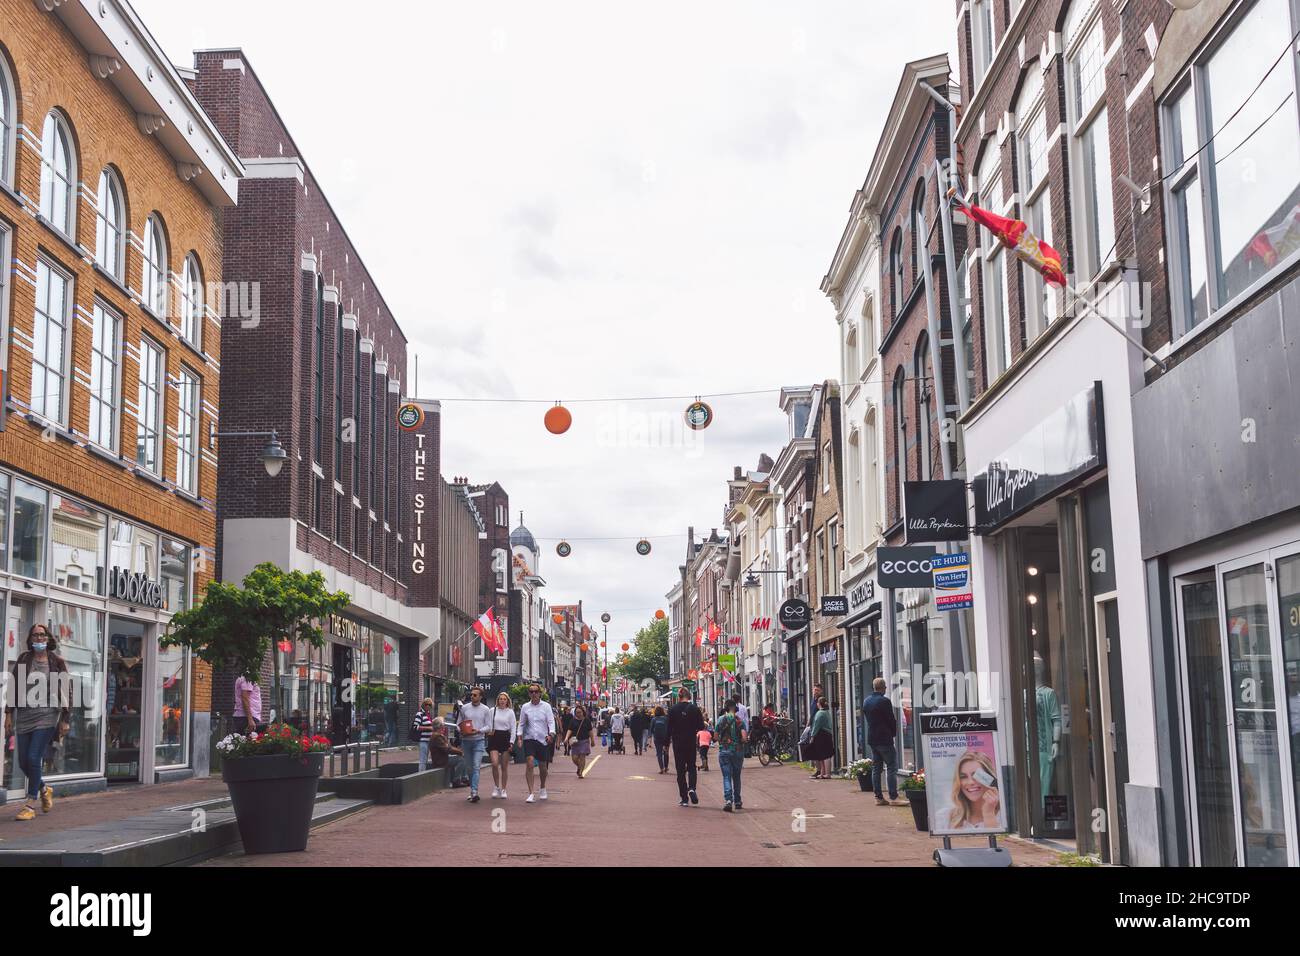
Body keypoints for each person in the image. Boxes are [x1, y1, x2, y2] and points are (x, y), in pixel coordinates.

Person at [3, 624, 71, 821]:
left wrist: (65, 719)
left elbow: (67, 690)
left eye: (42, 635)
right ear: (31, 638)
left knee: (34, 757)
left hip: (47, 714)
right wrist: (8, 713)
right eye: (36, 635)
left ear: (48, 638)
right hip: (24, 715)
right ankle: (43, 788)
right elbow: (14, 686)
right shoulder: (24, 659)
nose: (39, 638)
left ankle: (29, 804)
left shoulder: (56, 661)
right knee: (23, 761)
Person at [862, 676, 901, 805]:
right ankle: (893, 797)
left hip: (873, 739)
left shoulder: (866, 701)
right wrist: (893, 734)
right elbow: (891, 719)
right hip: (884, 738)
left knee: (876, 768)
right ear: (883, 688)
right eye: (885, 687)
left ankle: (878, 797)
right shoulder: (884, 701)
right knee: (891, 767)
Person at [518, 684, 557, 802]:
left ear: (540, 693)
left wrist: (551, 734)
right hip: (529, 738)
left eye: (536, 692)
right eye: (531, 692)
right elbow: (521, 723)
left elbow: (551, 722)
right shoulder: (525, 707)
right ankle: (531, 793)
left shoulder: (546, 706)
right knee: (529, 762)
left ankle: (543, 787)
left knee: (542, 767)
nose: (534, 694)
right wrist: (519, 737)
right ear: (529, 694)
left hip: (543, 739)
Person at [667, 689, 703, 806]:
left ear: (679, 697)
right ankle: (692, 788)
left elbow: (669, 728)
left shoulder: (673, 709)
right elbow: (701, 726)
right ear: (689, 696)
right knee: (692, 766)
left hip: (678, 743)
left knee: (680, 770)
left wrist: (666, 743)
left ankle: (684, 798)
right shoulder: (694, 709)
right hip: (691, 742)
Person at [949, 751, 1002, 829]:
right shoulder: (945, 817)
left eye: (976, 775)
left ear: (990, 778)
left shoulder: (1005, 816)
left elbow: (999, 840)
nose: (970, 782)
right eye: (963, 776)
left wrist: (989, 814)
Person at [458, 687, 492, 802]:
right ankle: (472, 790)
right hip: (466, 741)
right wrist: (461, 730)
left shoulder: (486, 709)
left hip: (479, 740)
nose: (472, 697)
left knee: (476, 766)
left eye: (475, 695)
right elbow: (458, 724)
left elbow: (489, 726)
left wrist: (479, 731)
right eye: (471, 695)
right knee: (469, 767)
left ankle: (474, 792)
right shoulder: (464, 708)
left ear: (480, 697)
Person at [715, 699, 747, 812]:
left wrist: (723, 741)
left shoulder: (720, 720)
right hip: (738, 751)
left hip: (724, 750)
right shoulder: (739, 721)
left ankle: (728, 800)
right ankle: (737, 801)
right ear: (735, 709)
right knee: (736, 776)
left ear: (726, 708)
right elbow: (744, 737)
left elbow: (715, 736)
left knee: (726, 776)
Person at [487, 692, 518, 799]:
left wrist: (512, 742)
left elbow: (513, 728)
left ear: (507, 701)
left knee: (504, 766)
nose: (502, 701)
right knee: (495, 763)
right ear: (498, 700)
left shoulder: (510, 712)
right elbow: (488, 723)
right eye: (500, 699)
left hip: (505, 737)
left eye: (504, 699)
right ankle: (496, 787)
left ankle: (504, 789)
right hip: (494, 737)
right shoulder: (492, 710)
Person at [805, 696, 835, 779]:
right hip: (827, 734)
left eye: (817, 703)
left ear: (819, 704)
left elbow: (816, 726)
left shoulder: (820, 713)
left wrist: (812, 736)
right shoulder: (826, 712)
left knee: (825, 755)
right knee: (823, 755)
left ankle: (827, 774)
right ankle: (823, 773)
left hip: (822, 735)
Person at [565, 704, 596, 778]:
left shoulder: (586, 720)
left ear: (583, 712)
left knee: (582, 756)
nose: (578, 714)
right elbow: (570, 730)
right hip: (575, 741)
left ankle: (581, 772)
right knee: (574, 758)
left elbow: (590, 731)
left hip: (584, 741)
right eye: (577, 712)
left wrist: (592, 740)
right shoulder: (573, 720)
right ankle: (580, 766)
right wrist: (566, 738)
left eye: (580, 712)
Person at [413, 697, 437, 771]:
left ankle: (423, 774)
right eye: (426, 704)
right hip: (423, 740)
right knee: (423, 760)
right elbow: (415, 727)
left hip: (429, 740)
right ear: (423, 704)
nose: (428, 706)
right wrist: (429, 728)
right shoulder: (420, 714)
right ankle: (420, 776)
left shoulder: (428, 714)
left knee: (426, 760)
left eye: (430, 705)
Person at [650, 706, 670, 773]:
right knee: (666, 752)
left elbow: (651, 729)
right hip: (666, 738)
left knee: (659, 753)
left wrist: (653, 735)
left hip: (657, 738)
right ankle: (666, 767)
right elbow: (669, 728)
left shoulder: (654, 719)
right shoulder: (666, 719)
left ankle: (661, 768)